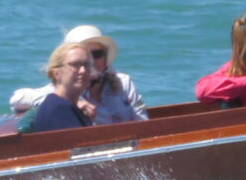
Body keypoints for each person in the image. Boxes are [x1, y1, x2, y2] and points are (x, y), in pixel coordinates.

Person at [8, 26, 147, 124]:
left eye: (97, 54)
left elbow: (142, 122)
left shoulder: (124, 83)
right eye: (83, 59)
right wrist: (72, 102)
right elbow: (18, 98)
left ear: (105, 58)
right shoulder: (67, 90)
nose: (91, 62)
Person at [19, 42, 100, 133]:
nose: (83, 70)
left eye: (86, 64)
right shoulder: (60, 110)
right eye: (75, 64)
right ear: (56, 73)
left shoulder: (60, 104)